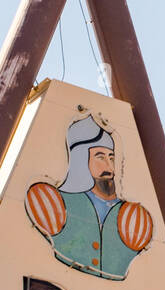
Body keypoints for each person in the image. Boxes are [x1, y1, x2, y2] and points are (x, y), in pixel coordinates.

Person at [25, 112, 153, 280]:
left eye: (111, 158)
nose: (109, 167)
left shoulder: (134, 215)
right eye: (100, 157)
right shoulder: (56, 203)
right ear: (81, 160)